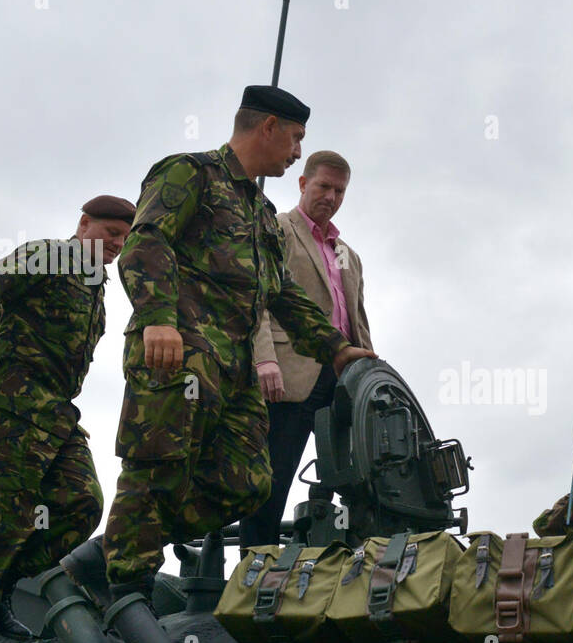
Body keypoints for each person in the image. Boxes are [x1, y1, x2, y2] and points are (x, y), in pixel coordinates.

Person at [103, 86, 376, 602]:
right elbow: (146, 241)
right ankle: (124, 594)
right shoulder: (190, 173)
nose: (297, 150)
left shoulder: (258, 209)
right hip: (179, 355)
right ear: (268, 127)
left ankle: (119, 543)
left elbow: (282, 292)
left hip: (233, 373)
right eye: (295, 138)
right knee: (154, 468)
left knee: (251, 483)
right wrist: (158, 318)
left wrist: (336, 348)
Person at [0, 194, 135, 643]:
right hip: (12, 403)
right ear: (84, 223)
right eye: (110, 233)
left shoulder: (95, 284)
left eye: (124, 237)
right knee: (9, 516)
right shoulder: (47, 256)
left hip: (56, 414)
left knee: (82, 503)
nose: (117, 244)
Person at [239, 150, 372, 550]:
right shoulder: (277, 229)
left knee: (355, 480)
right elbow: (256, 299)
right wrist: (264, 358)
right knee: (272, 479)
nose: (331, 197)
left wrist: (370, 376)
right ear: (302, 183)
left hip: (345, 378)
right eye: (323, 187)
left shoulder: (349, 255)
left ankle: (344, 563)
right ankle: (255, 565)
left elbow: (356, 320)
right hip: (292, 371)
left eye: (339, 191)